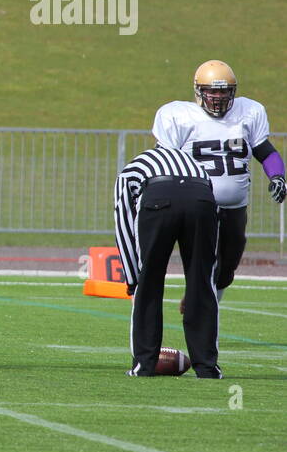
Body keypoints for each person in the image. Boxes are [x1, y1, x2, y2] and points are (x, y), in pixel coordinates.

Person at [151, 60, 285, 313]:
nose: (218, 97)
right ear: (199, 91)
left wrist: (277, 176)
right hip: (199, 205)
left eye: (224, 91)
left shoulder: (248, 113)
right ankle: (201, 315)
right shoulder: (181, 117)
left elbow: (266, 152)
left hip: (235, 207)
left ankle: (199, 303)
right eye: (213, 91)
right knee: (206, 264)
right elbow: (162, 159)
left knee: (226, 270)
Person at [113, 145, 219, 377]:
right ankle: (208, 367)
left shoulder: (136, 165)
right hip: (201, 199)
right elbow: (212, 208)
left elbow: (123, 224)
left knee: (149, 282)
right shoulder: (197, 166)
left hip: (158, 199)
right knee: (202, 284)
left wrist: (133, 283)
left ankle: (144, 365)